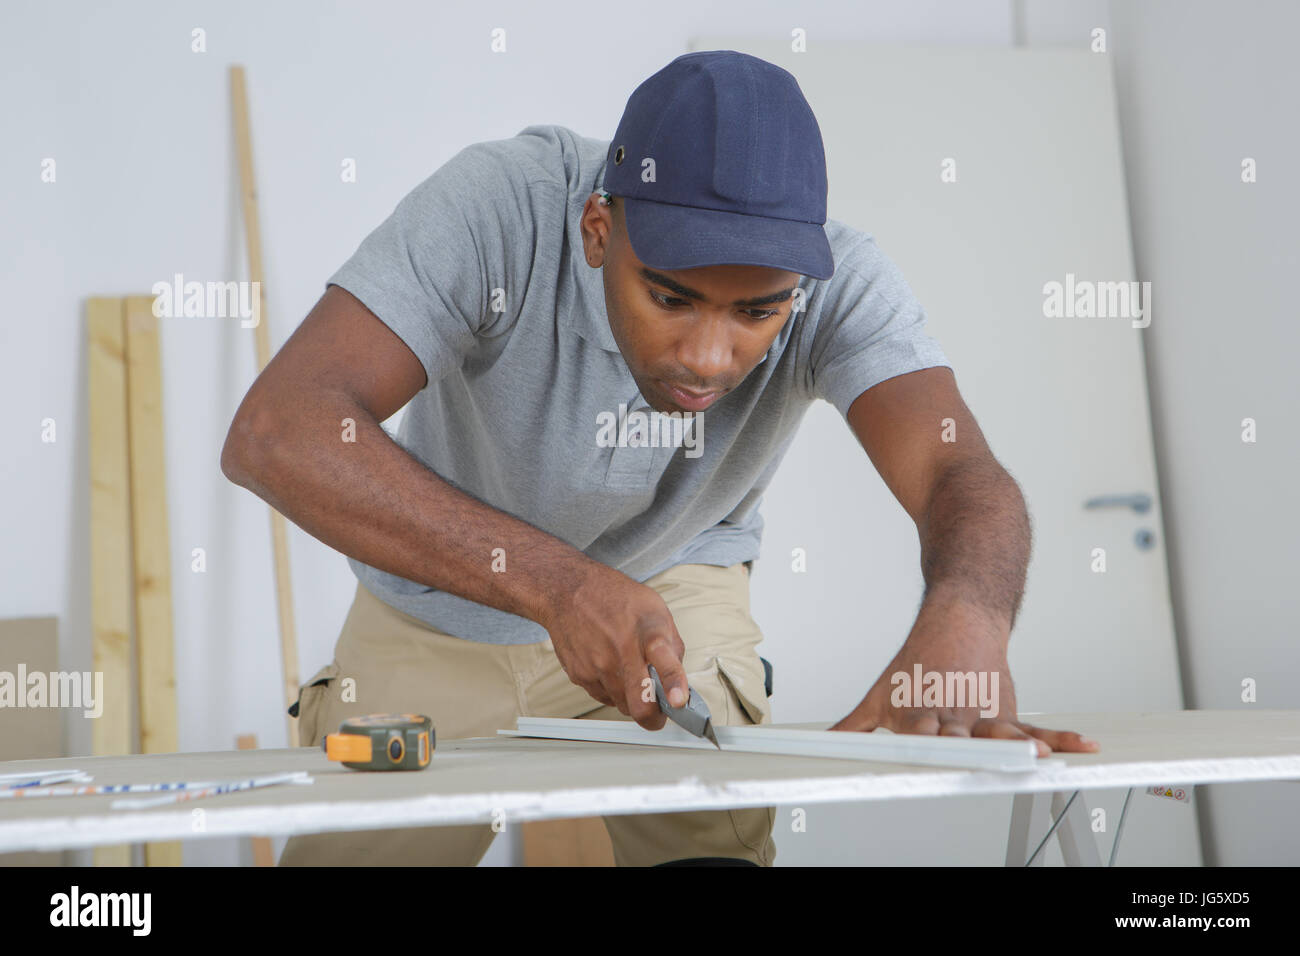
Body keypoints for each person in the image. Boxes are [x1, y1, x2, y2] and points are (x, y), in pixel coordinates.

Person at [221, 49, 1096, 867]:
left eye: (756, 314)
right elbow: (279, 432)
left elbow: (958, 470)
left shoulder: (838, 281)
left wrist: (969, 613)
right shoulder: (501, 210)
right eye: (671, 297)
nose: (709, 359)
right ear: (598, 228)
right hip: (435, 610)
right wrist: (560, 586)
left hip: (675, 591)